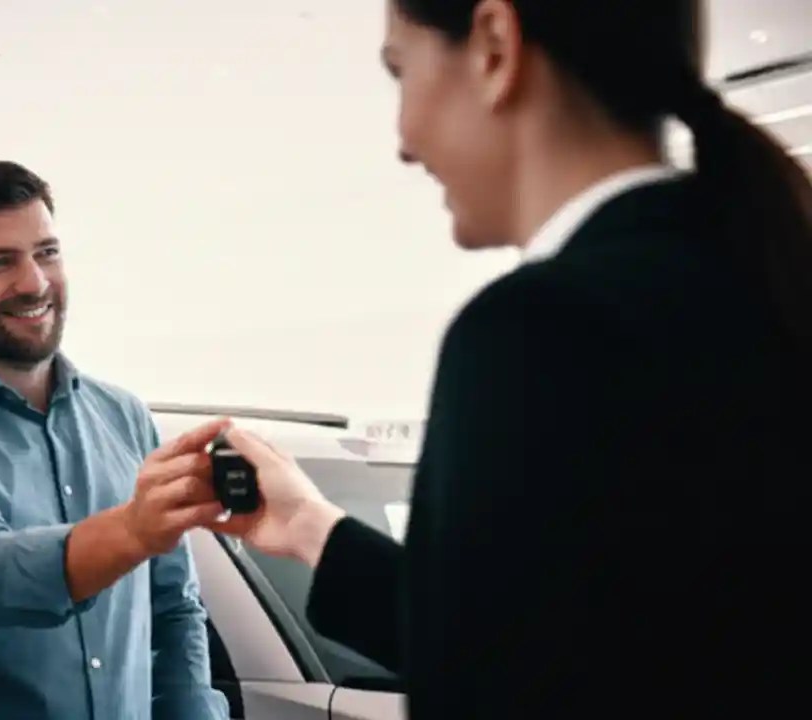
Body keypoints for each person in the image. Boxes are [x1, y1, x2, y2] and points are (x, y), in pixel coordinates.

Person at [213, 1, 812, 719]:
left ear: (495, 46)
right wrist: (311, 526)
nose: (403, 141)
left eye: (400, 72)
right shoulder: (761, 284)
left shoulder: (535, 330)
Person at [0, 159, 230, 720]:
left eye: (46, 253)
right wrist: (132, 529)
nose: (32, 282)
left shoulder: (125, 416)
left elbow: (174, 608)